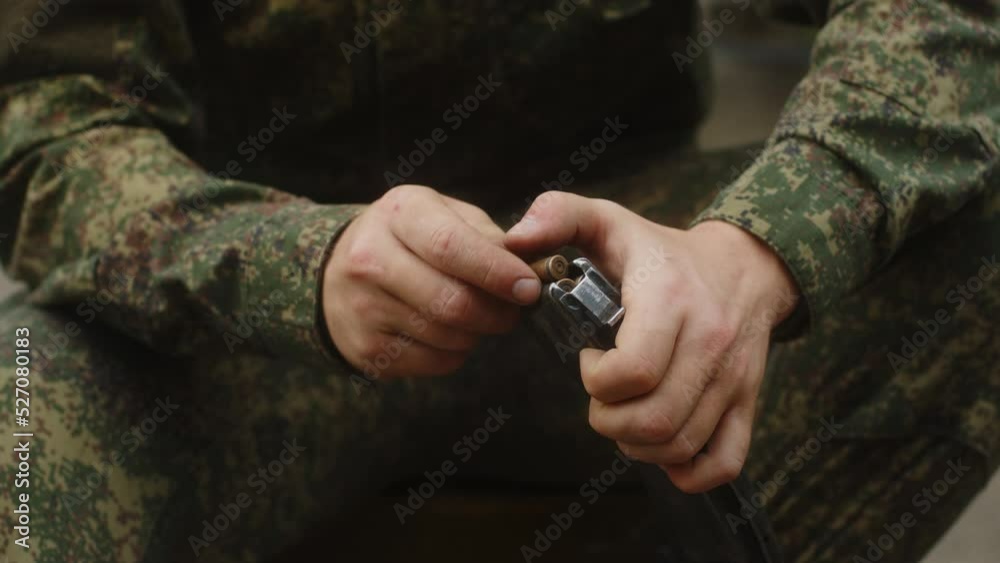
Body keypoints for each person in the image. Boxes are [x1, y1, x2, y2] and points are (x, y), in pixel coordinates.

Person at [0, 0, 997, 561]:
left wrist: (758, 247)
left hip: (636, 258)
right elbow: (46, 125)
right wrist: (295, 260)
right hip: (238, 312)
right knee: (15, 438)